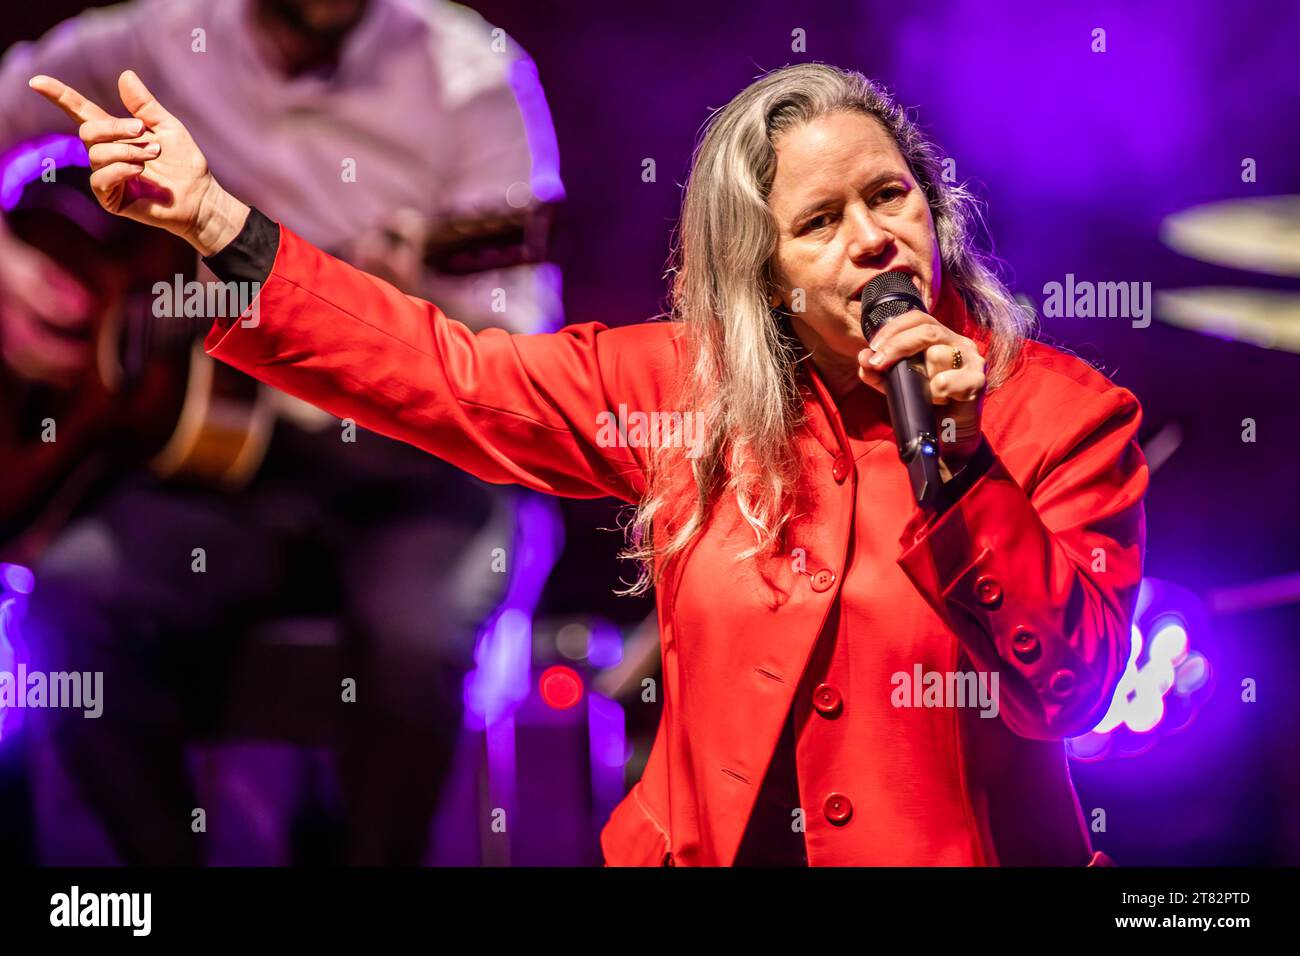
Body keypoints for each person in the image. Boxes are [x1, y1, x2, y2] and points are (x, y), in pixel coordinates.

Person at [28, 61, 1148, 866]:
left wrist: (963, 468)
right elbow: (447, 372)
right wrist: (222, 224)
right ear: (763, 274)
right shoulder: (686, 391)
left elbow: (1075, 689)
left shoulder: (1060, 416)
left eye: (888, 194)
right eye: (819, 220)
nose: (870, 237)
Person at [3, 0, 563, 865]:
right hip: (228, 472)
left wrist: (398, 312)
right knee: (71, 605)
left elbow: (521, 351)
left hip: (413, 472)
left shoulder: (470, 68)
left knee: (418, 648)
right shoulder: (156, 37)